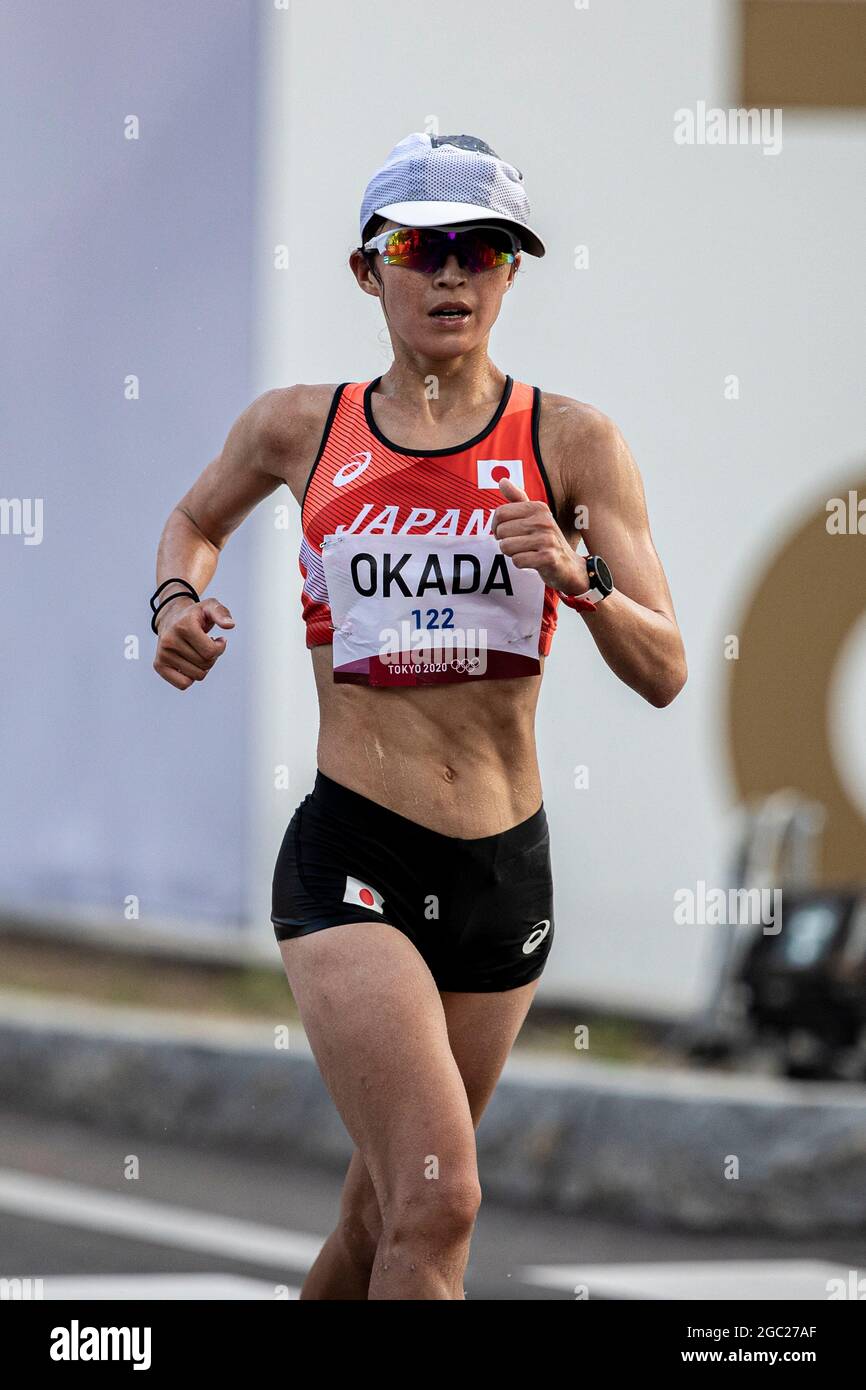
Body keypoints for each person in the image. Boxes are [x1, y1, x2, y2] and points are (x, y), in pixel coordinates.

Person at [150, 131, 687, 1300]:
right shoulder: (301, 426)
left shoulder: (570, 441)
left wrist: (582, 580)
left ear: (510, 273)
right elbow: (194, 519)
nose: (452, 275)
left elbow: (665, 668)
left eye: (482, 250)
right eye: (422, 249)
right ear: (366, 270)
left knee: (378, 1217)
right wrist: (176, 601)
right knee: (441, 1197)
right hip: (354, 858)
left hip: (503, 872)